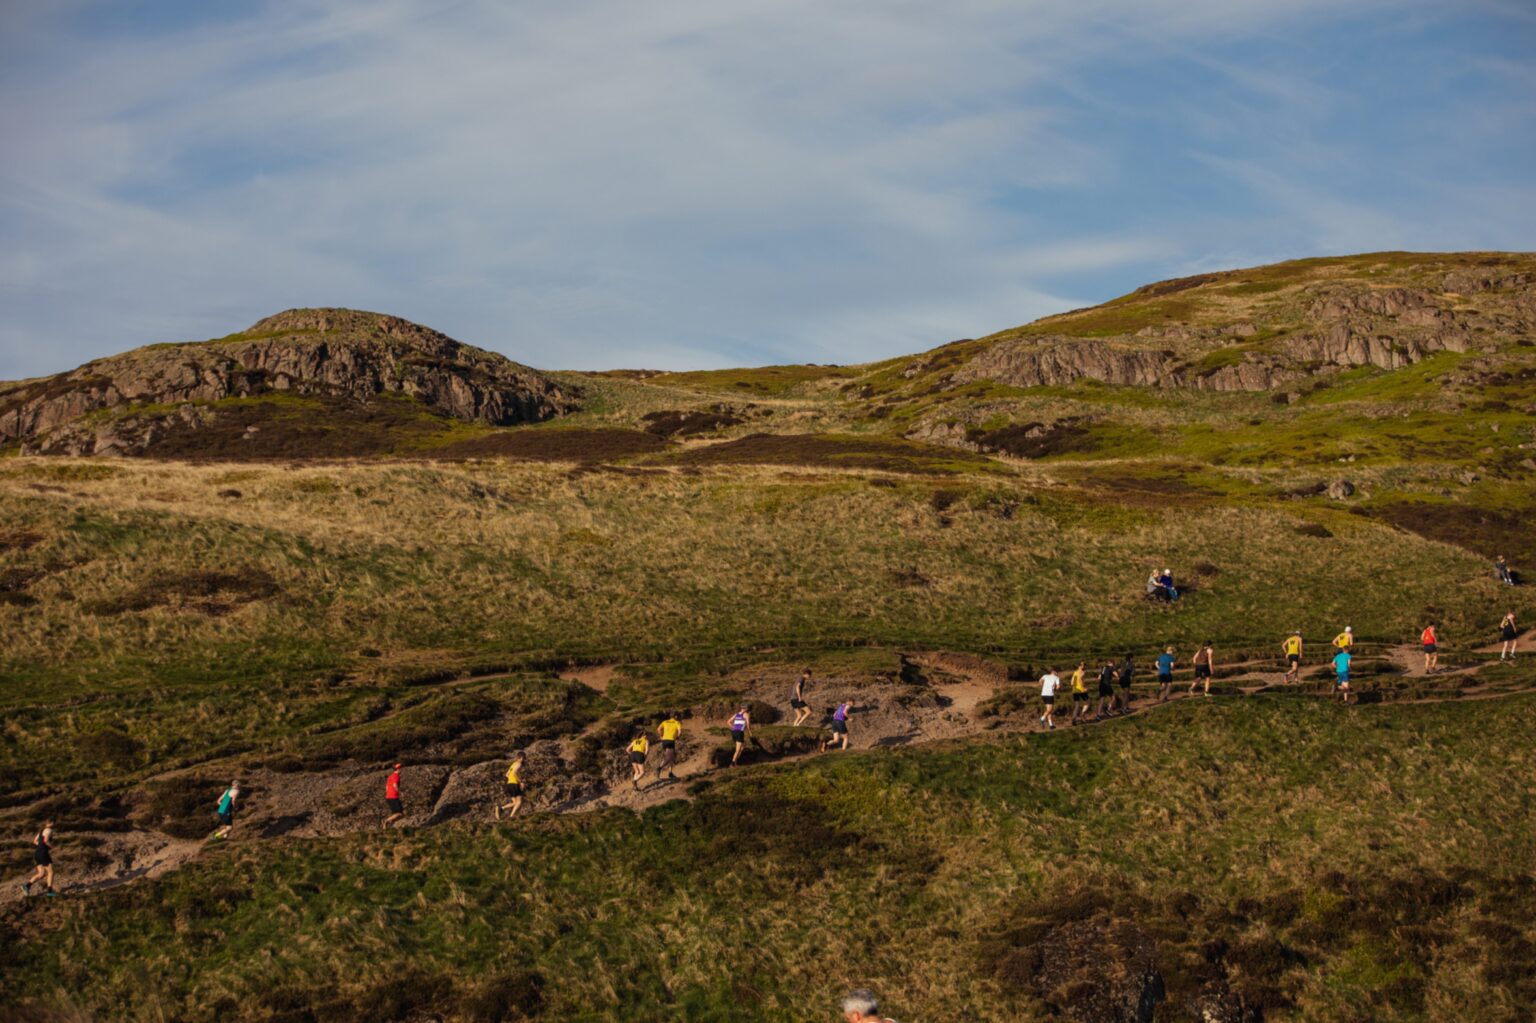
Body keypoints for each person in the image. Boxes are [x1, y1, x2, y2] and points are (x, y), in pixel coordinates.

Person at [22, 820, 56, 897]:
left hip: (37, 853)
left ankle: (27, 886)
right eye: (53, 822)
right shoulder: (49, 830)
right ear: (49, 823)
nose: (54, 824)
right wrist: (51, 847)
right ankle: (50, 891)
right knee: (51, 872)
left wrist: (40, 846)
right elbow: (46, 840)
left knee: (41, 874)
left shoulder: (41, 831)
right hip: (43, 853)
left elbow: (34, 841)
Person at [495, 752, 525, 820]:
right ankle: (511, 817)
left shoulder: (513, 764)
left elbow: (507, 774)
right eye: (523, 758)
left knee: (515, 802)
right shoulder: (519, 764)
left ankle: (501, 808)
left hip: (509, 784)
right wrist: (520, 782)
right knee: (519, 801)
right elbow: (514, 773)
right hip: (514, 784)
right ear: (521, 758)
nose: (524, 760)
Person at [657, 713, 683, 780]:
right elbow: (680, 732)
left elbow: (658, 729)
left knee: (672, 757)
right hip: (671, 740)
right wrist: (677, 737)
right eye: (678, 716)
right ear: (676, 716)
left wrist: (661, 736)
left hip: (664, 740)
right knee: (669, 757)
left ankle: (670, 773)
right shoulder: (677, 722)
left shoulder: (665, 722)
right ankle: (659, 768)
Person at [383, 763, 405, 827]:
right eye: (401, 768)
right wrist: (400, 793)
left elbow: (386, 787)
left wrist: (388, 794)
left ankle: (389, 827)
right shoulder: (396, 776)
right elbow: (395, 785)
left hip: (388, 797)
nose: (402, 770)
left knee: (395, 814)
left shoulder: (390, 776)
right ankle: (386, 821)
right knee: (400, 814)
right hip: (394, 797)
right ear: (398, 769)